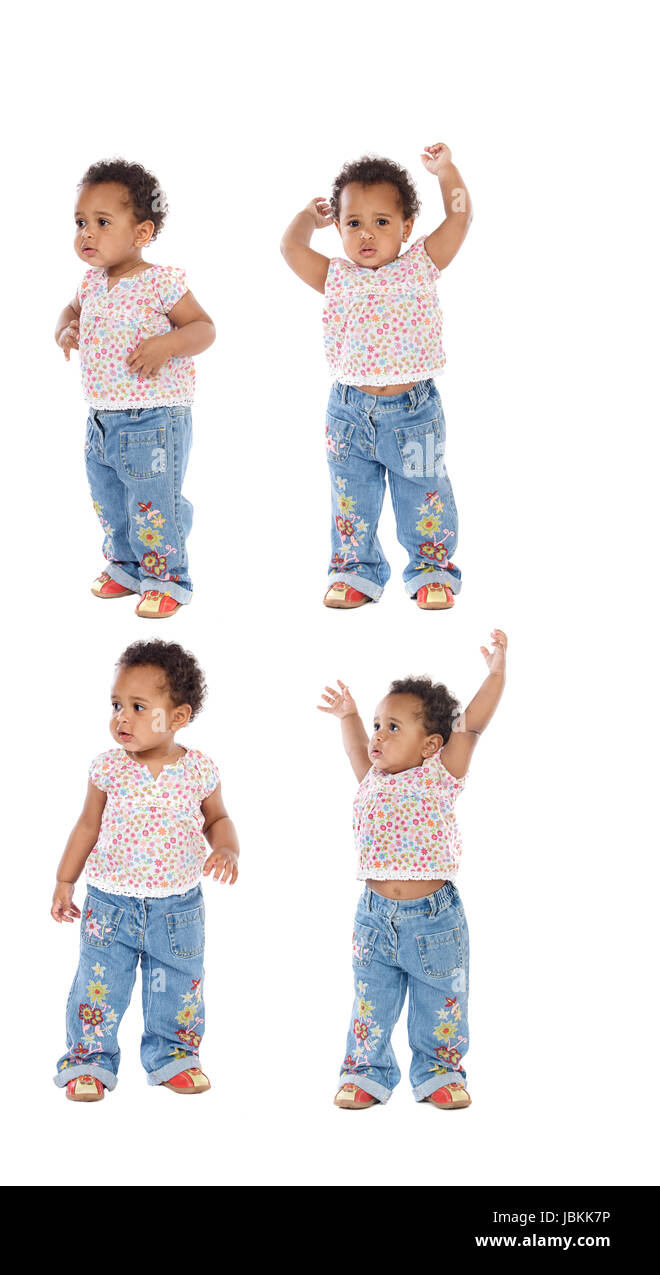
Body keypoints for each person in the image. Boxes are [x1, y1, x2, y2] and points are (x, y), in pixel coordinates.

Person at [318, 629, 507, 1109]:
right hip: (373, 917)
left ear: (431, 745)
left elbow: (474, 725)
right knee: (371, 1000)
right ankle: (364, 1072)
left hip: (435, 920)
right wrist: (351, 715)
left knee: (441, 1000)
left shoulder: (441, 774)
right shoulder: (372, 778)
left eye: (393, 727)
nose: (378, 736)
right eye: (378, 725)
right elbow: (355, 749)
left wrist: (496, 674)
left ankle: (440, 1072)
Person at [281, 145, 472, 610]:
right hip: (348, 414)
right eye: (353, 223)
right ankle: (354, 570)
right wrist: (308, 216)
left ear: (406, 227)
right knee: (352, 501)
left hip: (414, 413)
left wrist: (445, 171)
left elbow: (460, 217)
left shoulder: (421, 264)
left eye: (382, 222)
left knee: (425, 494)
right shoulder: (336, 276)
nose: (367, 233)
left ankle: (431, 570)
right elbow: (289, 248)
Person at [52, 640, 239, 1100]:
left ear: (177, 717)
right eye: (116, 704)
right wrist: (64, 880)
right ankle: (88, 1059)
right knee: (98, 983)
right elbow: (86, 827)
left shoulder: (199, 770)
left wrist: (228, 849)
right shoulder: (107, 769)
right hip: (109, 903)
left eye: (138, 707)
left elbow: (218, 820)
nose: (122, 717)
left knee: (179, 983)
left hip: (178, 907)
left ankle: (175, 1055)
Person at [56, 159, 215, 619]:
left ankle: (167, 576)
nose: (87, 233)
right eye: (81, 222)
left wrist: (168, 343)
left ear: (141, 233)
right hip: (102, 417)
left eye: (102, 223)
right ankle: (125, 565)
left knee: (153, 502)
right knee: (110, 500)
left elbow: (204, 329)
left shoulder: (160, 281)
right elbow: (66, 314)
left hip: (154, 417)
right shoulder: (91, 283)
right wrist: (66, 330)